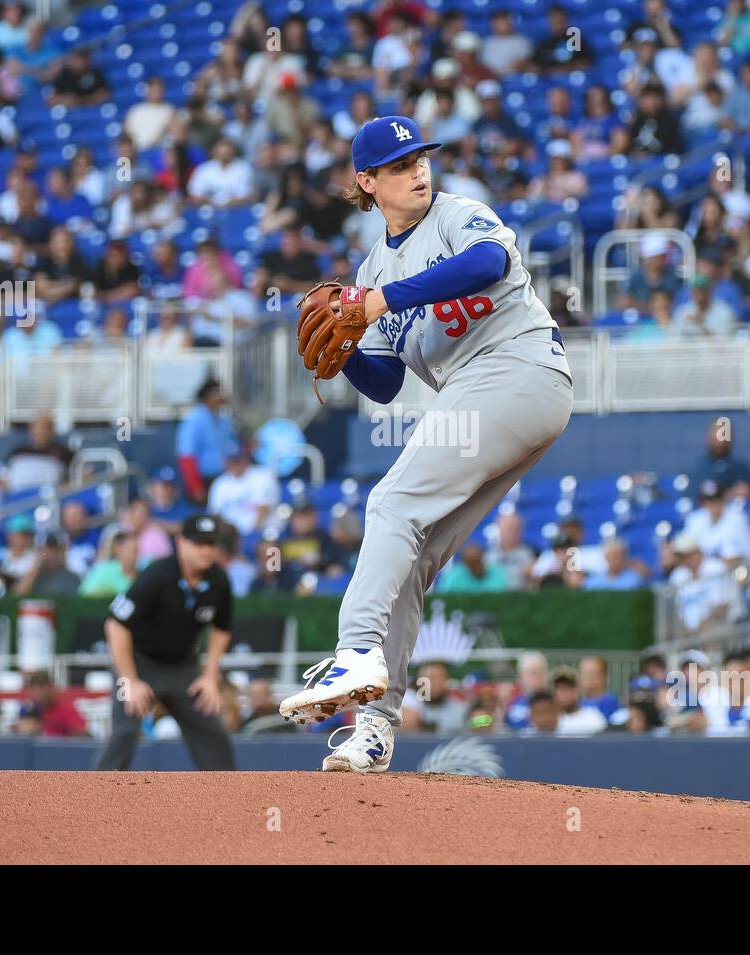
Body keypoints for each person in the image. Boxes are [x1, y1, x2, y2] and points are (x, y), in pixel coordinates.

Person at [276, 115, 574, 774]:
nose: (418, 171)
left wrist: (376, 301)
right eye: (400, 164)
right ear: (367, 182)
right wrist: (344, 350)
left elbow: (488, 263)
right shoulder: (373, 265)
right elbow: (383, 384)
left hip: (519, 366)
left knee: (389, 506)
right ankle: (375, 728)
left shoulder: (455, 215)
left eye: (421, 158)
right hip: (483, 396)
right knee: (411, 552)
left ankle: (354, 652)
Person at [93, 516, 237, 771]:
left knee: (213, 734)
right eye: (198, 543)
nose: (205, 550)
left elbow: (222, 630)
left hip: (182, 668)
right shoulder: (157, 575)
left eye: (211, 544)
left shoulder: (219, 580)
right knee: (123, 734)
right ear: (181, 543)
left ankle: (228, 801)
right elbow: (115, 625)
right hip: (139, 664)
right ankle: (94, 800)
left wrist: (209, 676)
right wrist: (129, 680)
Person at [176, 378, 238, 506]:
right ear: (207, 396)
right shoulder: (194, 419)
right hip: (203, 480)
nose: (221, 397)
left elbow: (233, 447)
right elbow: (187, 455)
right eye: (216, 393)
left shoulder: (225, 420)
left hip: (224, 480)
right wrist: (195, 486)